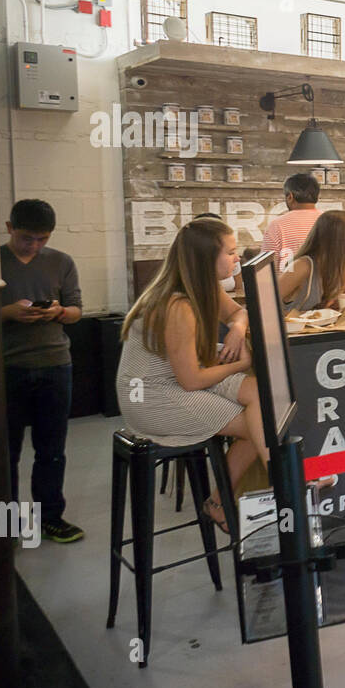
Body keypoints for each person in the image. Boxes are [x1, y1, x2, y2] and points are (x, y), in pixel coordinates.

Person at [116, 218, 267, 532]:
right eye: (230, 252)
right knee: (262, 423)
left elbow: (239, 311)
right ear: (205, 260)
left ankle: (265, 486)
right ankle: (257, 490)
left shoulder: (202, 286)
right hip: (152, 396)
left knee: (262, 401)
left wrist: (238, 329)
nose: (237, 258)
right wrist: (240, 363)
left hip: (179, 376)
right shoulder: (177, 305)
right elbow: (191, 381)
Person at [0, 199, 85, 544]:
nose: (34, 245)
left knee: (52, 448)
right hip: (7, 366)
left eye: (42, 239)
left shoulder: (61, 262)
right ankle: (4, 523)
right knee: (7, 450)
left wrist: (60, 312)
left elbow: (78, 309)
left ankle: (50, 517)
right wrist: (8, 313)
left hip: (54, 363)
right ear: (9, 228)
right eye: (26, 238)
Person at [278, 210, 345, 312]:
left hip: (321, 327)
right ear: (341, 242)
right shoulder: (303, 266)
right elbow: (266, 302)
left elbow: (328, 307)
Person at [261, 173, 322, 269]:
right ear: (317, 197)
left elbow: (266, 269)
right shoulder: (329, 221)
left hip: (286, 283)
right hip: (326, 283)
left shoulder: (277, 226)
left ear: (290, 197)